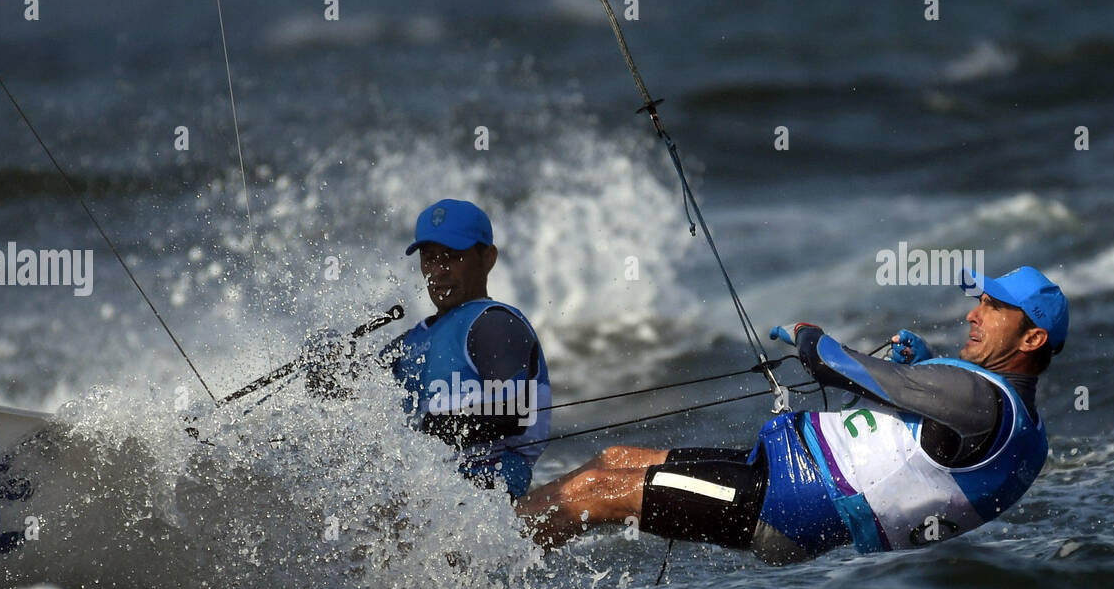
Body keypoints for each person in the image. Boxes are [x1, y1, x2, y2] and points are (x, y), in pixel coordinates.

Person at [517, 266, 1068, 562]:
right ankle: (492, 536)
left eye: (995, 308)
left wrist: (813, 340)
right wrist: (927, 372)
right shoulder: (1020, 426)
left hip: (785, 502)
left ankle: (471, 564)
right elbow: (939, 450)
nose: (976, 313)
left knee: (594, 491)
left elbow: (849, 371)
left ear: (1033, 336)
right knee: (615, 459)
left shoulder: (976, 401)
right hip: (785, 477)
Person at [386, 198, 551, 497]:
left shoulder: (494, 325)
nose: (439, 271)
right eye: (430, 258)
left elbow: (515, 413)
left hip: (489, 487)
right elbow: (355, 398)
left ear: (488, 258)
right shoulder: (412, 340)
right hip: (432, 490)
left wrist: (429, 427)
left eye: (452, 256)